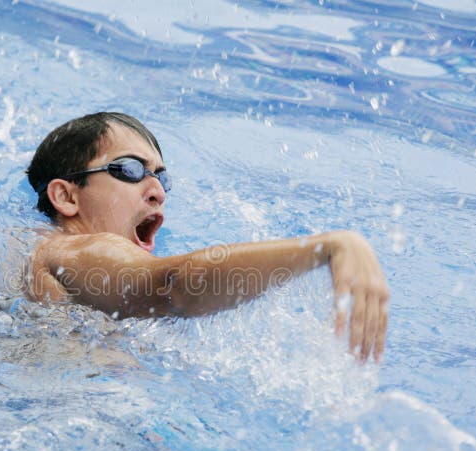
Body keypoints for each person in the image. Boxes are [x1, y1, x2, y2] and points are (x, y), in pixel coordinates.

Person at [24, 112, 389, 362]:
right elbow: (172, 285)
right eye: (131, 169)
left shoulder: (40, 262)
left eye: (162, 178)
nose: (157, 192)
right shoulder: (69, 250)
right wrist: (326, 248)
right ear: (66, 196)